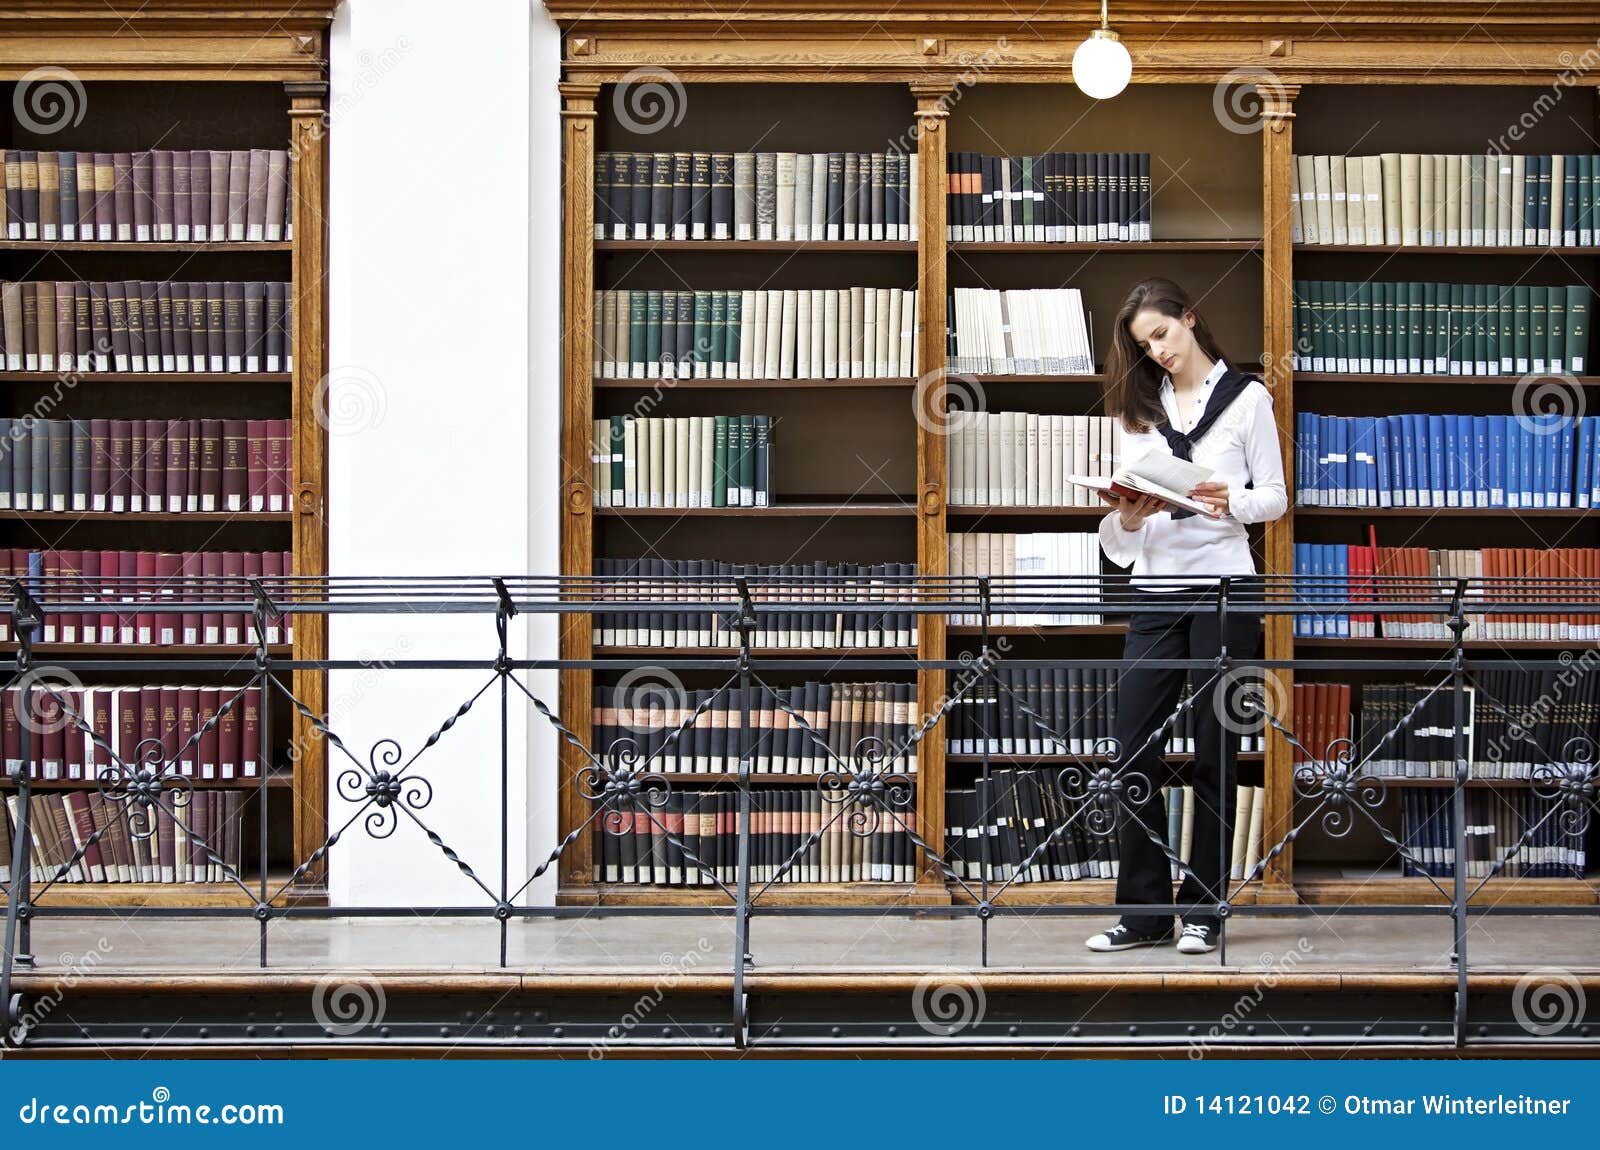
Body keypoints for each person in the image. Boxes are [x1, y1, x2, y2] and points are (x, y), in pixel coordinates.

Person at [1083, 277, 1287, 955]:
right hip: (1155, 592)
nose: (1159, 352)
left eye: (1162, 334)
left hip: (1225, 591)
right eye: (1146, 345)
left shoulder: (1249, 400)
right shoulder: (1138, 413)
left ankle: (1204, 912)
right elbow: (1118, 544)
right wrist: (1126, 516)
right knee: (1133, 751)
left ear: (1189, 319)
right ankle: (1144, 914)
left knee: (1215, 753)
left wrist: (1231, 499)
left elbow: (1277, 500)